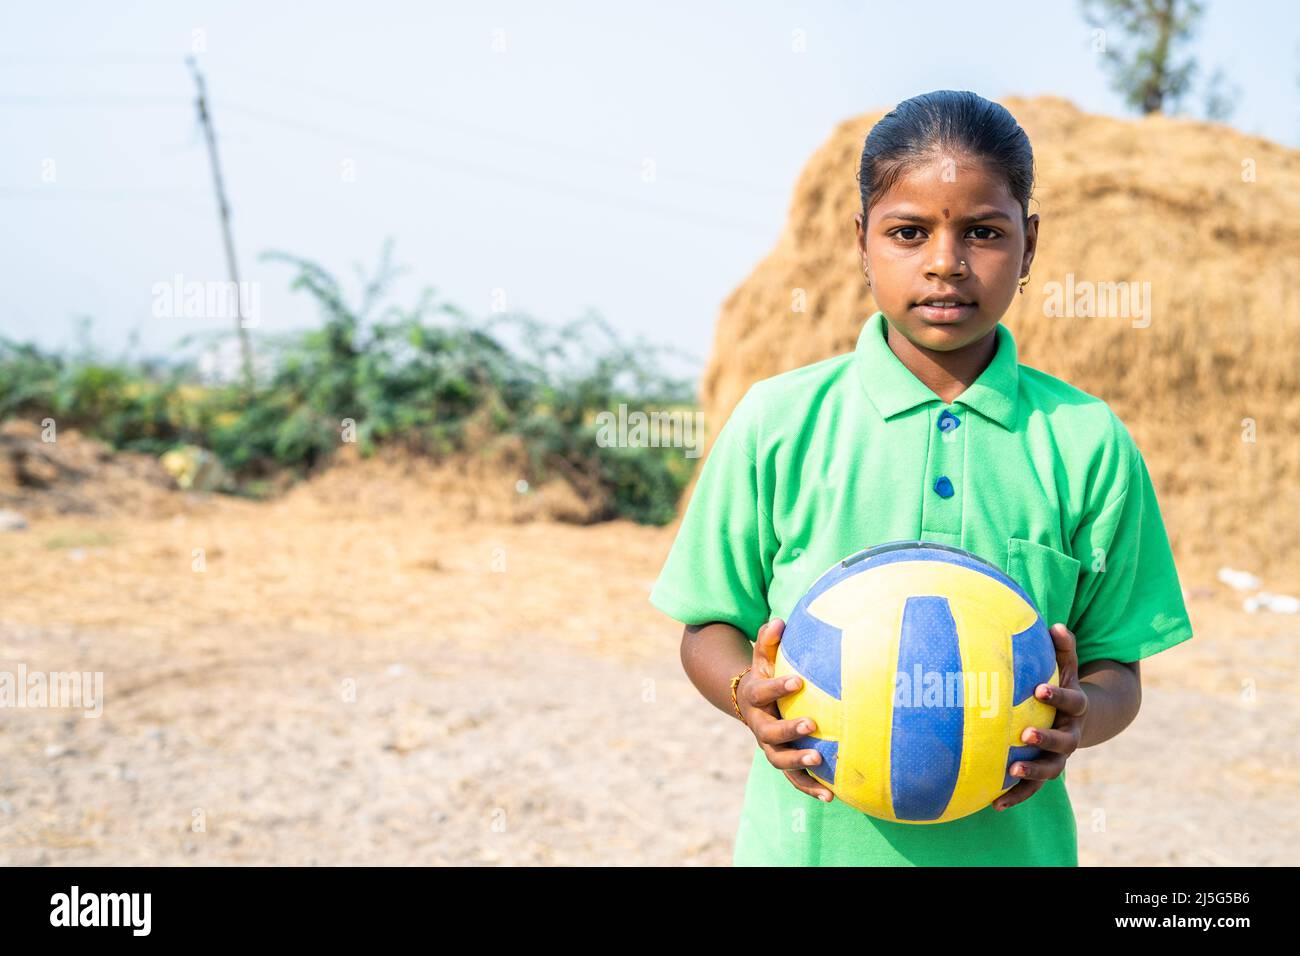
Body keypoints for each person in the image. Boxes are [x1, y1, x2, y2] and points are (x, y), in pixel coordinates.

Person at [648, 89, 1194, 866]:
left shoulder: (1086, 441)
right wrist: (746, 696)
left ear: (1029, 245)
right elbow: (708, 627)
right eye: (909, 232)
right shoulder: (779, 422)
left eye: (983, 232)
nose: (946, 262)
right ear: (861, 240)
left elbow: (1117, 668)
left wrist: (1079, 718)